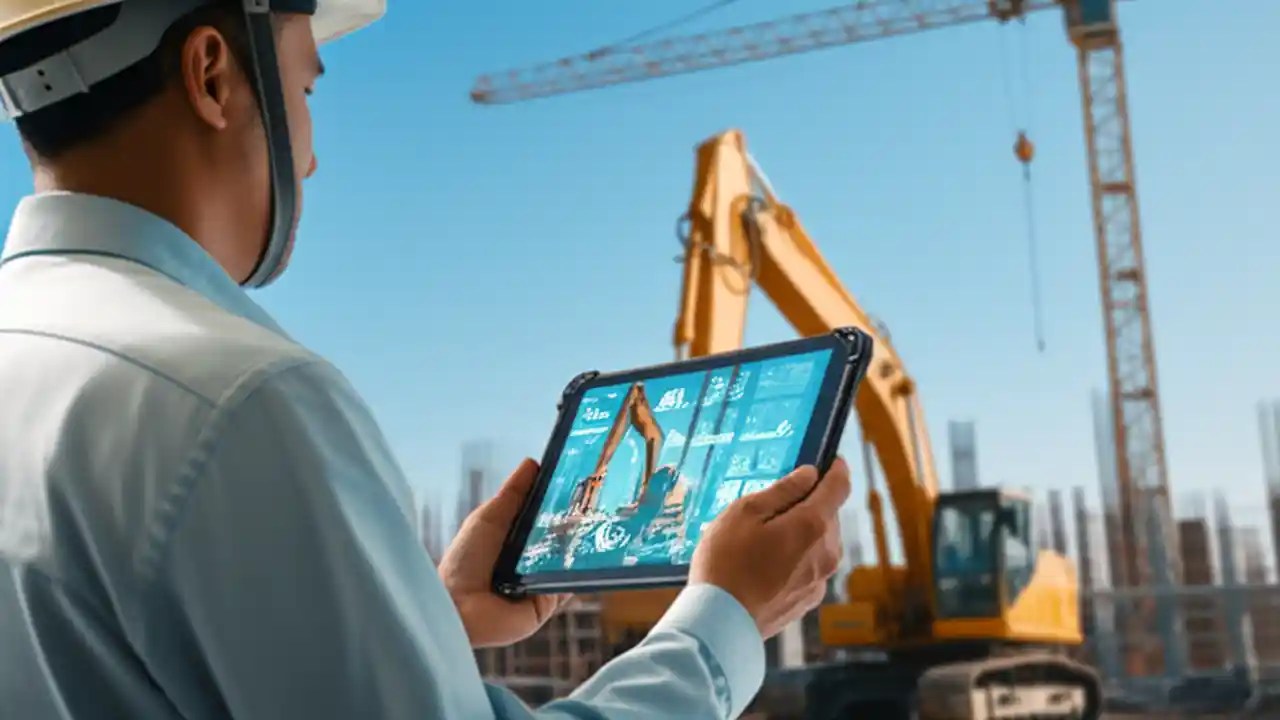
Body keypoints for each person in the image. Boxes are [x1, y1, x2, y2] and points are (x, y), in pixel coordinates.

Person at [0, 2, 852, 719]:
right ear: (213, 74)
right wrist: (725, 624)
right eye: (302, 89)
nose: (312, 152)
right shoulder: (242, 404)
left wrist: (419, 619)